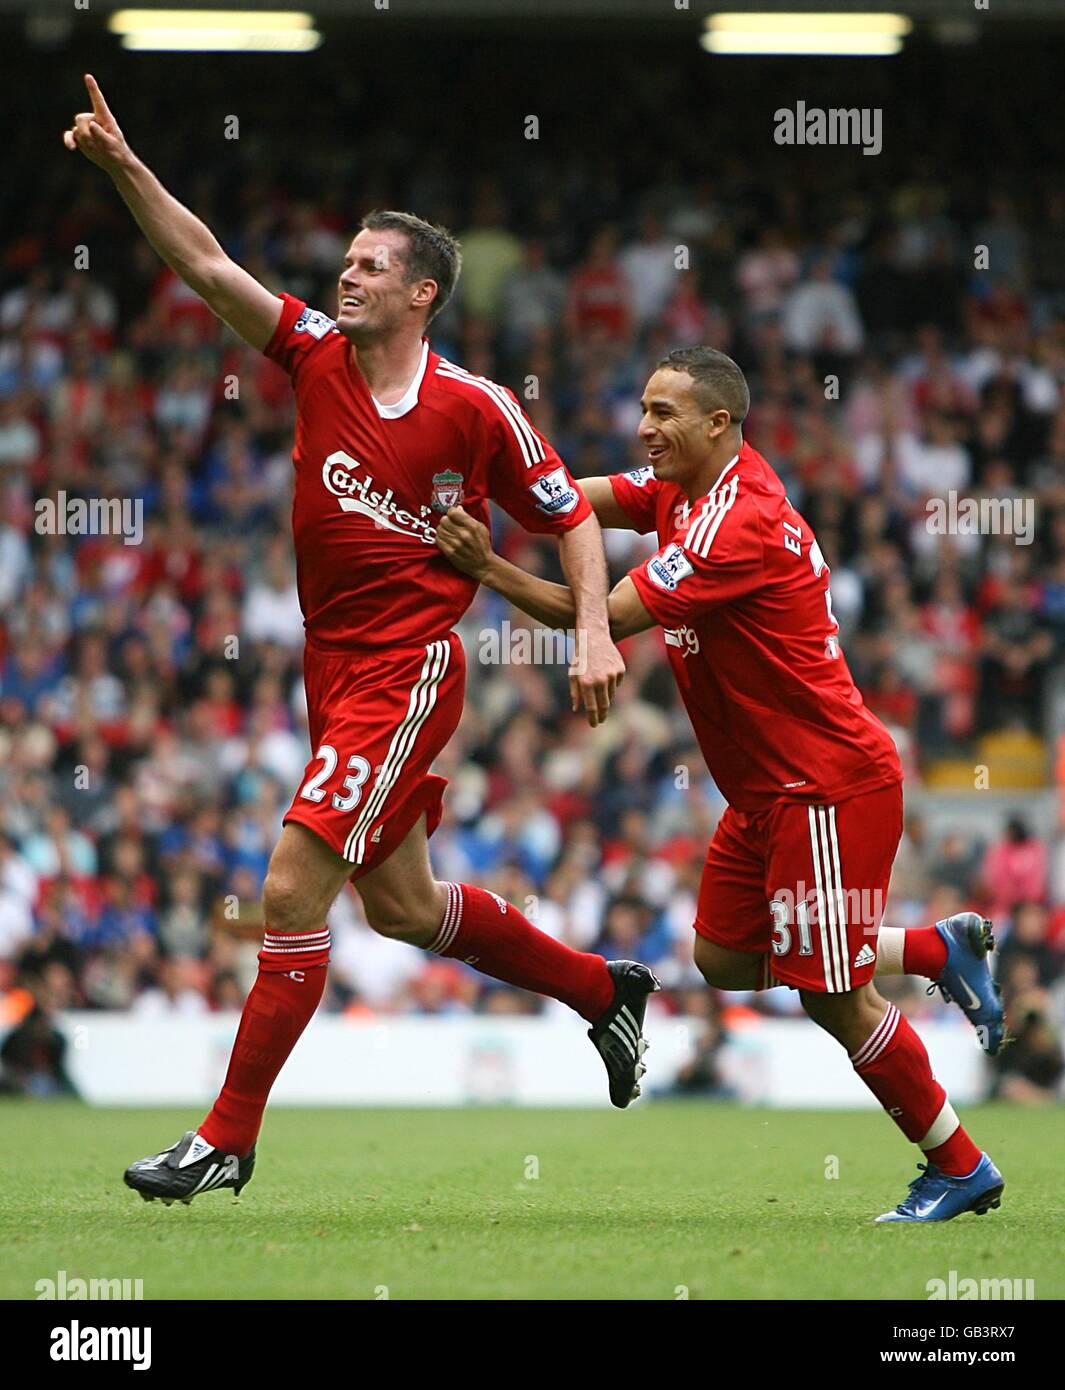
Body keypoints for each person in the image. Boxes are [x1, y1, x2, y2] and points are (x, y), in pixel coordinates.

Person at [63, 74, 659, 1206]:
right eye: (346, 259)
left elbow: (573, 514)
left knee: (292, 886)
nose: (346, 273)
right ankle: (603, 990)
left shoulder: (476, 407)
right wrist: (124, 167)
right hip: (327, 667)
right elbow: (203, 264)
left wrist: (591, 629)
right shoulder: (312, 353)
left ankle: (226, 1135)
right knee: (402, 908)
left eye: (371, 265)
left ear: (422, 292)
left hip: (409, 669)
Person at [436, 345, 1008, 1224]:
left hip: (823, 784)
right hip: (762, 794)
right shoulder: (684, 486)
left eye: (663, 413)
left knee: (830, 994)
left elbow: (602, 616)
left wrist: (484, 565)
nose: (643, 427)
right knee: (724, 957)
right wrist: (483, 471)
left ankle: (958, 1165)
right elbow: (566, 497)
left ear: (717, 422)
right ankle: (935, 951)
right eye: (642, 409)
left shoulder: (734, 523)